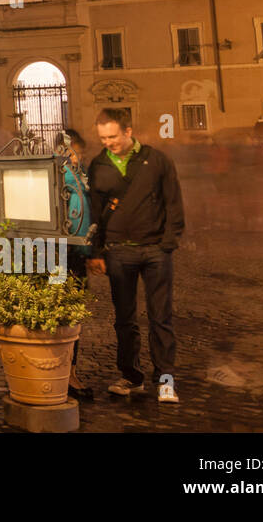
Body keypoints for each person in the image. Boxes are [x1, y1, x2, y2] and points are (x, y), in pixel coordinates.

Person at [86, 108, 186, 403]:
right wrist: (96, 251)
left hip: (156, 250)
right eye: (103, 137)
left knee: (161, 318)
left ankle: (165, 380)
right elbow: (94, 212)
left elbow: (174, 203)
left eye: (113, 136)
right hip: (118, 252)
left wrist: (168, 243)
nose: (108, 142)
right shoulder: (99, 164)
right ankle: (131, 377)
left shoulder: (156, 160)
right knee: (124, 319)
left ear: (128, 132)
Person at [56, 128, 95, 400]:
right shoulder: (58, 174)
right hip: (60, 253)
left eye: (78, 153)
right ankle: (65, 373)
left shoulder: (81, 176)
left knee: (73, 314)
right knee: (64, 313)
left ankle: (69, 369)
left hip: (77, 252)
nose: (76, 157)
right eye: (73, 152)